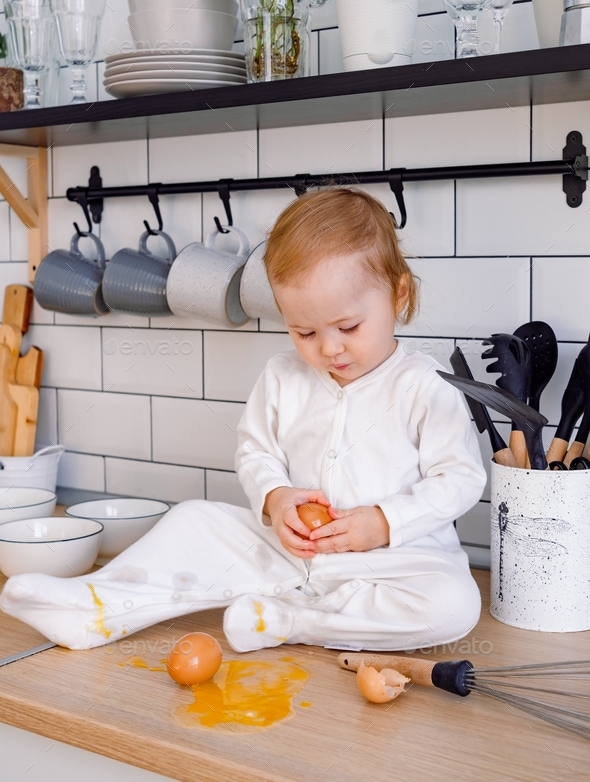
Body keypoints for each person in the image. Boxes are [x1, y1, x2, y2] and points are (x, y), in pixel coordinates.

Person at [0, 187, 486, 653]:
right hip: (287, 550)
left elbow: (460, 478)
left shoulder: (429, 383)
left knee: (454, 606)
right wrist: (276, 500)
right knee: (193, 518)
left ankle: (290, 621)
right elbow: (256, 452)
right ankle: (96, 604)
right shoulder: (282, 375)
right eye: (304, 331)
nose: (329, 348)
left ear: (398, 296)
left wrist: (385, 522)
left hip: (396, 562)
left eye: (349, 327)